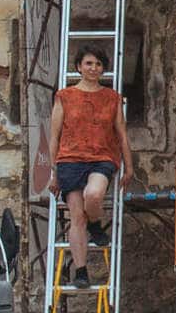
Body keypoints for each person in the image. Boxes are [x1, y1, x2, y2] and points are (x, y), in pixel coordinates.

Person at [45, 46, 133, 290]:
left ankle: (95, 221)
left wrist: (129, 167)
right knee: (76, 216)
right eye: (89, 63)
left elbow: (122, 134)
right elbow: (54, 136)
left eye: (98, 64)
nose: (94, 68)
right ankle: (81, 271)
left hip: (102, 156)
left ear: (103, 69)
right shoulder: (64, 96)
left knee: (93, 195)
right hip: (69, 159)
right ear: (79, 67)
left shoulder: (112, 97)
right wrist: (53, 173)